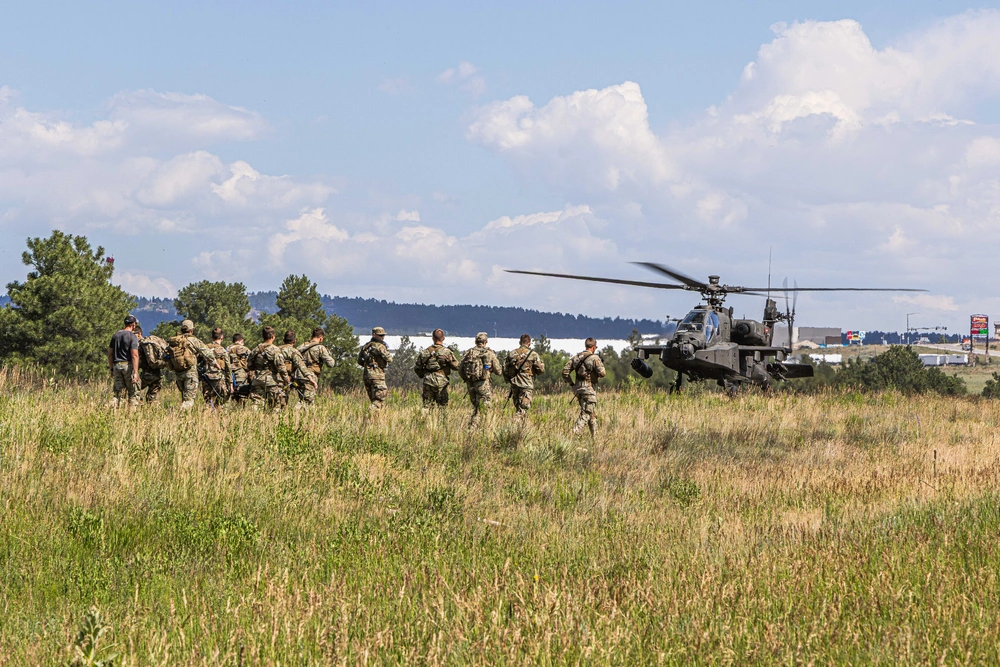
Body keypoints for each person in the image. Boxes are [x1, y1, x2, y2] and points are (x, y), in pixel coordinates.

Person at [166, 319, 216, 410]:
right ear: (191, 330)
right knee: (189, 400)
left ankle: (184, 419)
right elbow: (207, 353)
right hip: (190, 372)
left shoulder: (175, 341)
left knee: (184, 397)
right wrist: (214, 363)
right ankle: (180, 414)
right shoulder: (193, 340)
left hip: (178, 373)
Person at [562, 337, 607, 437]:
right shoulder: (595, 358)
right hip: (589, 389)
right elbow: (603, 373)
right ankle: (574, 433)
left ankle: (595, 439)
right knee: (586, 412)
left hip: (578, 389)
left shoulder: (576, 357)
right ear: (594, 347)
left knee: (591, 415)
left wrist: (572, 385)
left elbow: (565, 372)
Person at [460, 332, 502, 427]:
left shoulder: (468, 352)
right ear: (485, 342)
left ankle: (473, 426)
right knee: (483, 407)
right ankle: (476, 428)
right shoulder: (489, 353)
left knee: (476, 406)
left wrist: (466, 379)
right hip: (483, 384)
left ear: (475, 341)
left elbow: (460, 368)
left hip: (470, 384)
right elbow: (498, 371)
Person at [414, 329, 460, 413]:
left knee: (426, 406)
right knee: (442, 407)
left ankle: (423, 422)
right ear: (443, 339)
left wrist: (422, 375)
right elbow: (457, 366)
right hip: (441, 382)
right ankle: (441, 424)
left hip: (428, 381)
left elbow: (417, 367)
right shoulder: (447, 352)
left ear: (433, 338)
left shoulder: (425, 352)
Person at [503, 334, 545, 420]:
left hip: (514, 384)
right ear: (529, 343)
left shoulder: (512, 354)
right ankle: (514, 424)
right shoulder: (533, 354)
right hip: (526, 384)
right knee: (523, 409)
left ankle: (518, 430)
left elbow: (504, 368)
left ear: (520, 342)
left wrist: (509, 379)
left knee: (518, 407)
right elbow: (541, 370)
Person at [248, 326, 288, 410]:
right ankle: (272, 421)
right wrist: (286, 378)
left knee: (256, 403)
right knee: (274, 405)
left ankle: (254, 420)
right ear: (273, 336)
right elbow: (280, 366)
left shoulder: (255, 350)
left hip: (257, 379)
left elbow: (249, 365)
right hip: (271, 381)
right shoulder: (275, 350)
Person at [295, 327, 337, 406]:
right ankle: (294, 414)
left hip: (298, 376)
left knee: (303, 399)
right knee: (307, 401)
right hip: (310, 377)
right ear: (321, 338)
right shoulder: (320, 348)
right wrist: (328, 353)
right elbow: (331, 364)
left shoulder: (302, 346)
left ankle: (304, 416)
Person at [108, 315, 140, 407]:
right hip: (127, 365)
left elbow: (110, 354)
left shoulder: (115, 335)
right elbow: (134, 355)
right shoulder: (132, 337)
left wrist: (112, 369)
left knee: (119, 393)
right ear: (133, 324)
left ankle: (112, 408)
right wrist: (135, 372)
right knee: (133, 392)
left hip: (116, 366)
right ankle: (132, 414)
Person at [358, 327, 393, 412]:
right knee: (378, 401)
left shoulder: (365, 346)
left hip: (367, 376)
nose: (382, 337)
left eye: (383, 335)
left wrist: (368, 366)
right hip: (378, 376)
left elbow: (359, 361)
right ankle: (369, 413)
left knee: (374, 401)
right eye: (380, 335)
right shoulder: (380, 346)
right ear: (374, 335)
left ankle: (373, 421)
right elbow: (389, 359)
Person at [135, 324, 168, 404]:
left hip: (147, 375)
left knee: (132, 391)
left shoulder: (141, 345)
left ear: (139, 334)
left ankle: (139, 406)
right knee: (152, 399)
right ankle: (155, 414)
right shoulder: (151, 343)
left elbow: (142, 362)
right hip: (158, 375)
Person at [278, 330, 311, 408]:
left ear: (283, 340)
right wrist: (310, 378)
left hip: (272, 378)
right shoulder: (293, 352)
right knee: (282, 403)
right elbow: (301, 366)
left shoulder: (275, 349)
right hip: (285, 379)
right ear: (294, 341)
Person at [201, 327, 233, 407]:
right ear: (222, 337)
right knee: (223, 401)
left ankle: (207, 416)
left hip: (206, 378)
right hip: (219, 379)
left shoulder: (205, 348)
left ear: (212, 337)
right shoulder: (223, 350)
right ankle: (219, 415)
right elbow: (228, 368)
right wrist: (230, 383)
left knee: (207, 402)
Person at [228, 333, 252, 402]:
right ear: (242, 340)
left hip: (229, 374)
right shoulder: (245, 349)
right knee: (241, 393)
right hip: (241, 374)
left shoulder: (227, 349)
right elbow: (251, 360)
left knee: (230, 394)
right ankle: (241, 410)